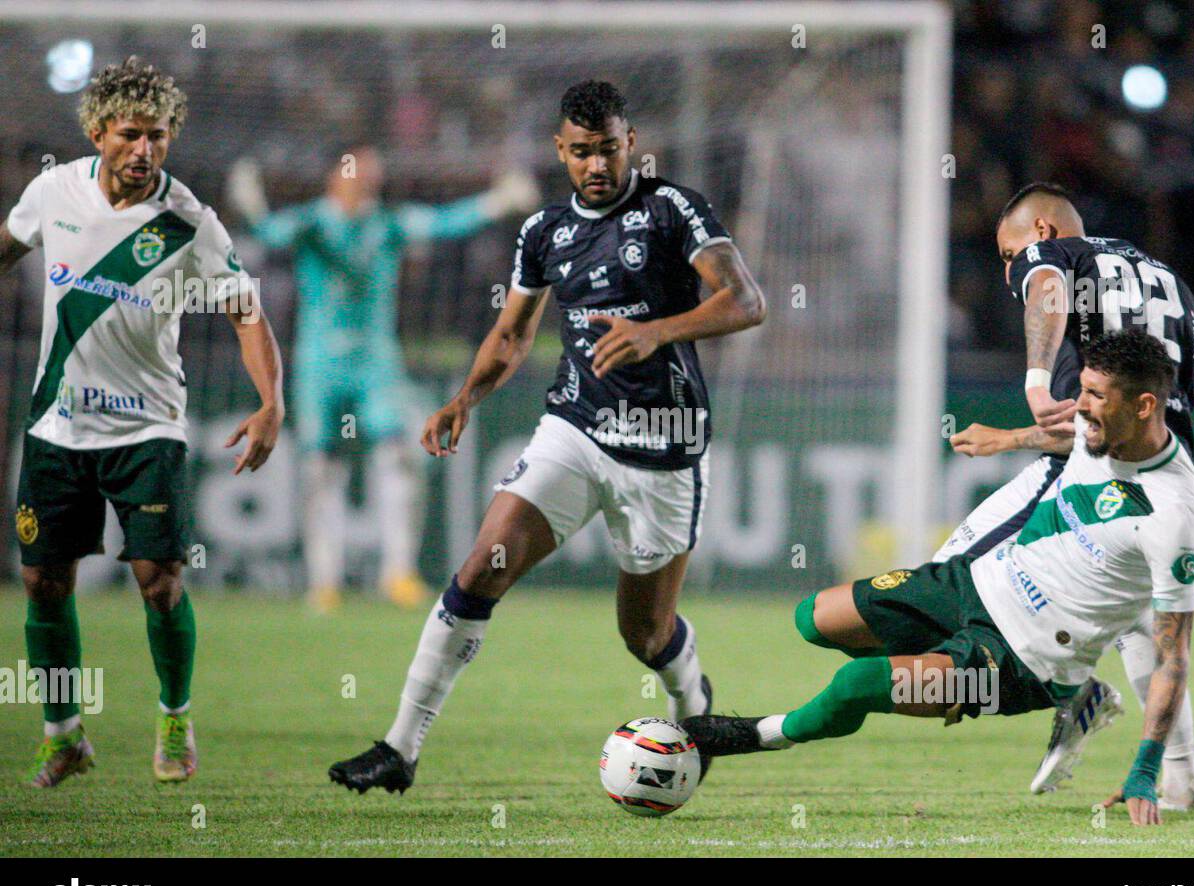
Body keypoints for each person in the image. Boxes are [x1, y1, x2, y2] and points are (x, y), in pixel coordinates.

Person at [327, 79, 765, 794]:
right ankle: (399, 749)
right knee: (478, 572)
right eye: (583, 153)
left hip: (664, 446)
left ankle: (695, 707)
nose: (598, 165)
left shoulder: (671, 209)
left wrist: (654, 331)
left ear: (632, 146)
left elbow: (746, 300)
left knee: (646, 637)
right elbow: (512, 333)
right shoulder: (544, 233)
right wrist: (463, 398)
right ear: (562, 152)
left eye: (610, 150)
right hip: (576, 431)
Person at [684, 331, 1194, 827]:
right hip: (972, 583)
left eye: (1094, 395)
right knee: (813, 619)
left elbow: (1172, 654)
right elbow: (1068, 433)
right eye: (1083, 390)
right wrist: (1009, 439)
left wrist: (1144, 770)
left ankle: (755, 735)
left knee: (857, 685)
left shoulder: (1173, 513)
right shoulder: (1100, 432)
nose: (1080, 405)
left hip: (1024, 659)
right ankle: (975, 680)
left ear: (1142, 407)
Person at [1, 56, 284, 786]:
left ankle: (175, 716)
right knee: (43, 582)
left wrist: (270, 402)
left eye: (158, 137)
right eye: (130, 135)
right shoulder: (51, 193)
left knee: (159, 581)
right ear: (98, 133)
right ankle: (64, 735)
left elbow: (245, 311)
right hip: (57, 426)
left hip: (146, 429)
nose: (145, 151)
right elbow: (7, 245)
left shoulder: (190, 222)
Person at [940, 183, 1194, 811]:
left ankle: (1073, 695)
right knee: (1140, 622)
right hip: (1170, 483)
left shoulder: (1057, 255)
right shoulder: (1172, 285)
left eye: (1010, 254)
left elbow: (1046, 291)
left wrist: (1036, 383)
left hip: (1088, 468)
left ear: (1039, 232)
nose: (1011, 271)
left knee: (952, 576)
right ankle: (1184, 781)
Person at [227, 146, 537, 611]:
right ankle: (324, 580)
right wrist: (250, 202)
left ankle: (399, 573)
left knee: (398, 458)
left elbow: (445, 223)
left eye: (373, 174)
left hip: (375, 362)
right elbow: (271, 234)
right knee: (320, 469)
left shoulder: (387, 222)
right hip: (319, 365)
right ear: (335, 176)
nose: (366, 181)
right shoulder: (313, 222)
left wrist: (499, 201)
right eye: (358, 171)